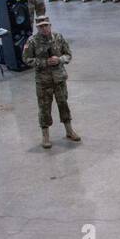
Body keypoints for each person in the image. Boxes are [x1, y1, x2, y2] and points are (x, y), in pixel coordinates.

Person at [21, 15, 81, 149]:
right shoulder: (32, 42)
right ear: (37, 28)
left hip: (59, 79)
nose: (44, 28)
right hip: (43, 81)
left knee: (63, 104)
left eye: (46, 25)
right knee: (44, 108)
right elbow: (26, 59)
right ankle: (45, 136)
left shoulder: (58, 38)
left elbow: (68, 55)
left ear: (50, 25)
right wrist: (44, 62)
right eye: (41, 26)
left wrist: (59, 59)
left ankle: (69, 130)